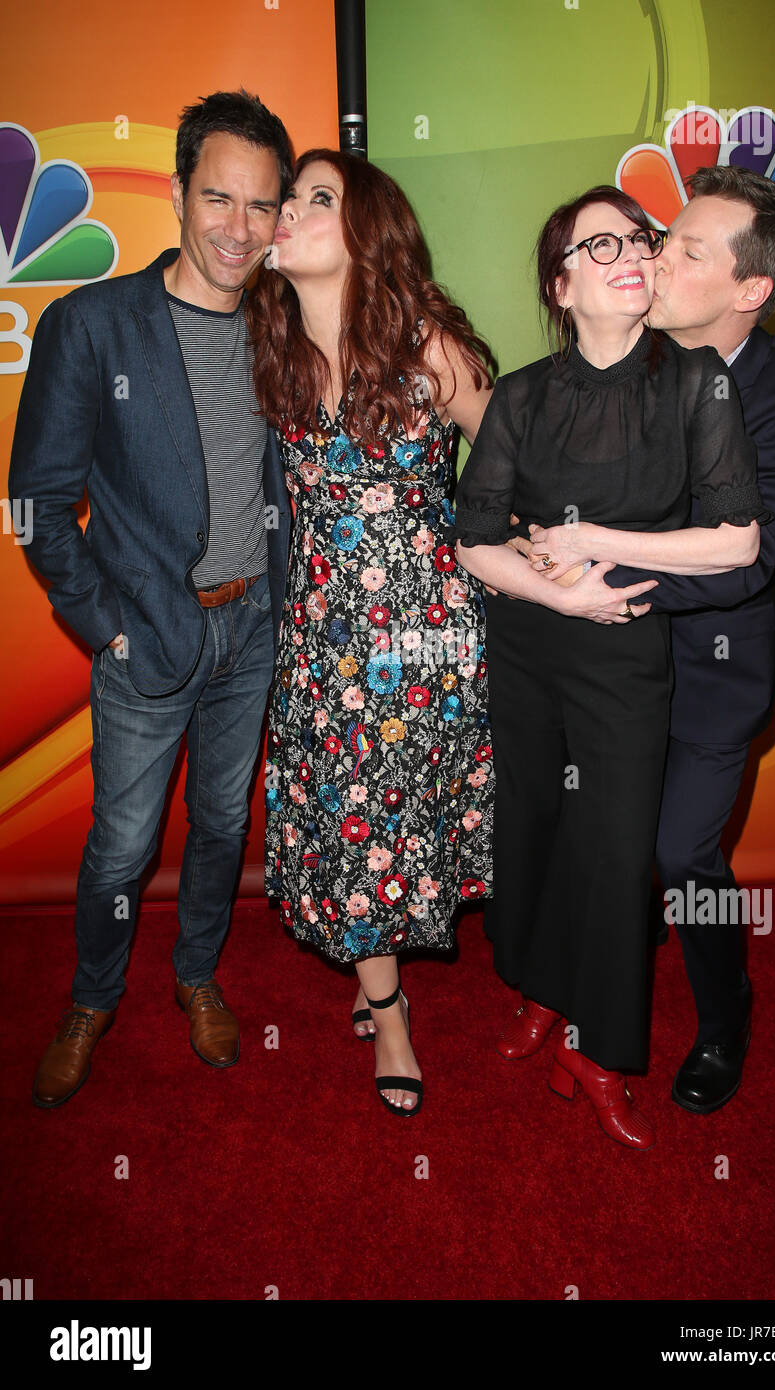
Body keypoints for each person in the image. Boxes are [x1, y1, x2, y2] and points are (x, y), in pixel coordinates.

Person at [454, 185, 767, 1149]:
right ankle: (546, 993)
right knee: (540, 830)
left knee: (617, 850)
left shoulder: (696, 381)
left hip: (625, 658)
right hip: (534, 645)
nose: (631, 253)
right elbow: (472, 541)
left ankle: (595, 1051)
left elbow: (737, 542)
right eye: (602, 245)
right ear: (561, 282)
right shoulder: (521, 394)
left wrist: (600, 544)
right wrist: (563, 590)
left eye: (640, 238)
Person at [9, 91, 293, 1108]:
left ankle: (196, 973)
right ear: (178, 193)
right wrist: (108, 628)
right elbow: (36, 500)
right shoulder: (93, 325)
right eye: (218, 196)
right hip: (146, 637)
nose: (239, 227)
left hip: (253, 628)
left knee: (222, 822)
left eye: (262, 206)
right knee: (123, 844)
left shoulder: (282, 322)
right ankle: (92, 996)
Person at [248, 149, 495, 1117]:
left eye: (319, 200)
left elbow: (513, 458)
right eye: (292, 197)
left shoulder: (427, 345)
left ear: (365, 232)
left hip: (423, 627)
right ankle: (387, 1007)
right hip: (320, 630)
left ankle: (383, 1002)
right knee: (349, 816)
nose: (289, 213)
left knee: (397, 812)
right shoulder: (270, 349)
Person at [598, 166, 775, 1113]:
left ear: (750, 292)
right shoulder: (626, 360)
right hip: (615, 662)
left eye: (688, 250)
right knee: (614, 840)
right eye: (667, 235)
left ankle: (725, 1014)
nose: (656, 258)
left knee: (686, 856)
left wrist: (596, 577)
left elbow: (743, 564)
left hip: (714, 674)